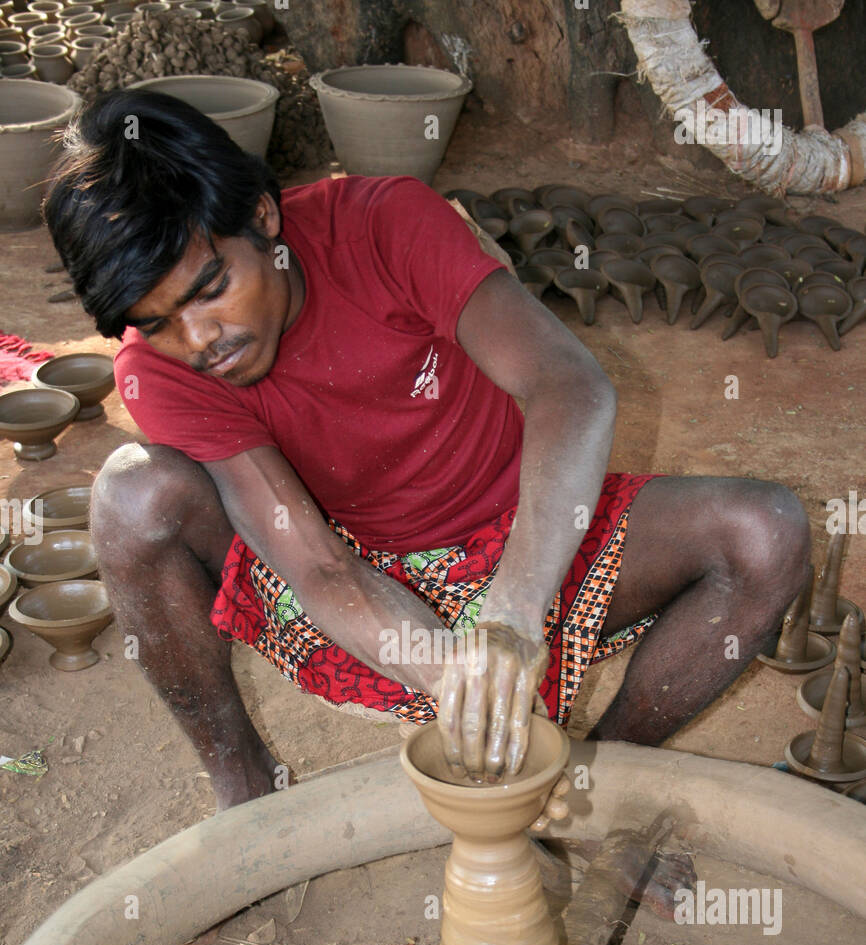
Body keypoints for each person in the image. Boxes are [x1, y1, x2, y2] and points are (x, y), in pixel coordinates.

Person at [44, 92, 809, 860]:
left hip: (528, 541)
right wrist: (450, 672)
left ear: (266, 220)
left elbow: (571, 389)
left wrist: (511, 614)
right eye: (155, 321)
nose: (200, 339)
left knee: (764, 532)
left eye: (210, 289)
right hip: (345, 567)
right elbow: (315, 564)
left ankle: (586, 792)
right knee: (132, 495)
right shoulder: (165, 370)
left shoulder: (384, 225)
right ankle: (247, 791)